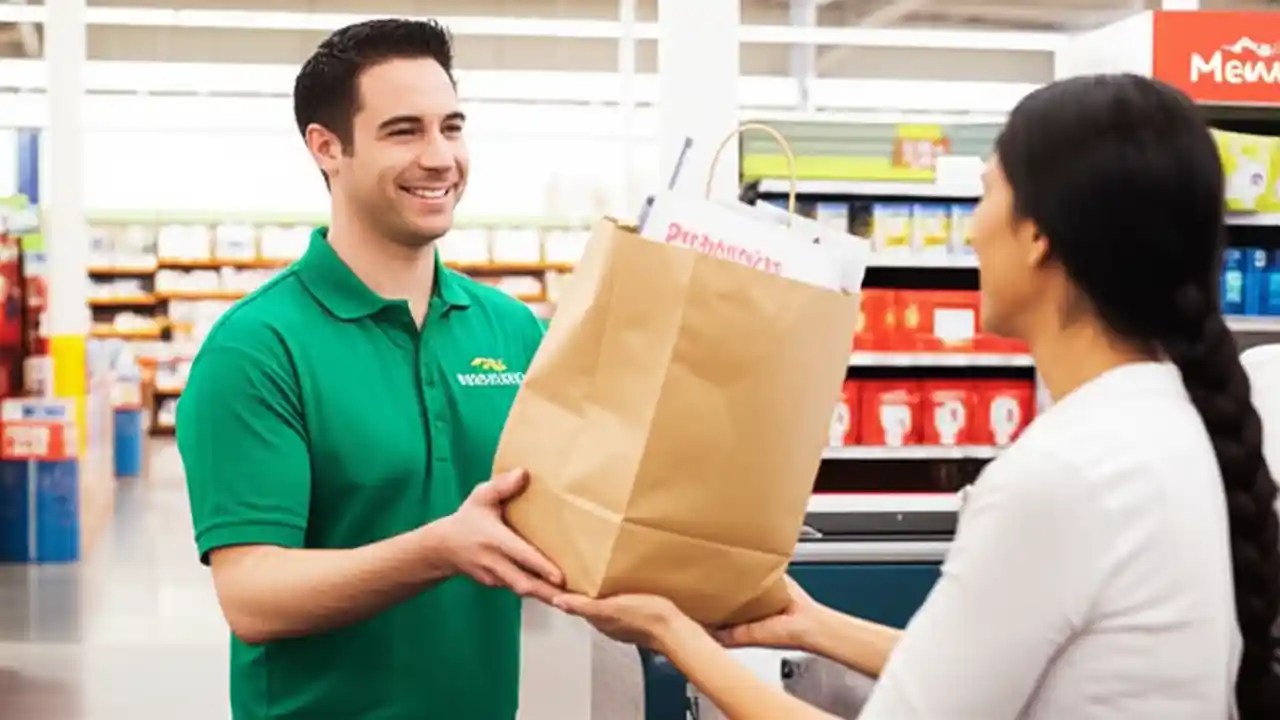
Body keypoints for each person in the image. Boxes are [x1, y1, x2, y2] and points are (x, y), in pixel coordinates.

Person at [555, 73, 1280, 719]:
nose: (971, 226)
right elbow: (998, 670)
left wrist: (671, 634)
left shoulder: (1058, 479)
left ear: (1037, 235)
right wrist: (810, 625)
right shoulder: (1175, 427)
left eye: (989, 191)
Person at [176, 18, 562, 720]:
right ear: (327, 148)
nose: (441, 157)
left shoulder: (508, 329)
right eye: (404, 130)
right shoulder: (258, 348)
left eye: (452, 126)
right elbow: (252, 596)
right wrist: (440, 549)